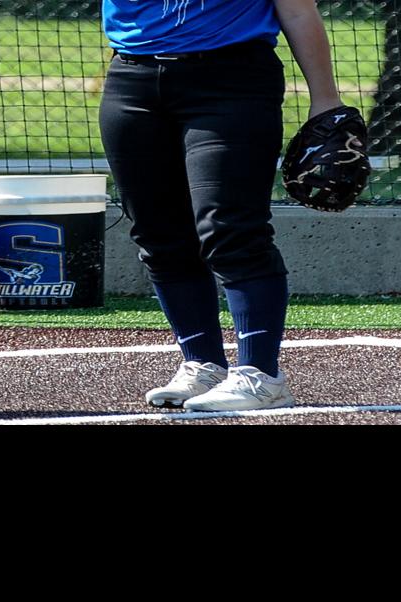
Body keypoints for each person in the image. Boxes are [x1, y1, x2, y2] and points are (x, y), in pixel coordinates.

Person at [100, 0, 347, 411]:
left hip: (233, 82)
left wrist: (326, 99)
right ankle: (202, 365)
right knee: (157, 232)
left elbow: (299, 9)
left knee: (230, 227)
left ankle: (261, 376)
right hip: (132, 79)